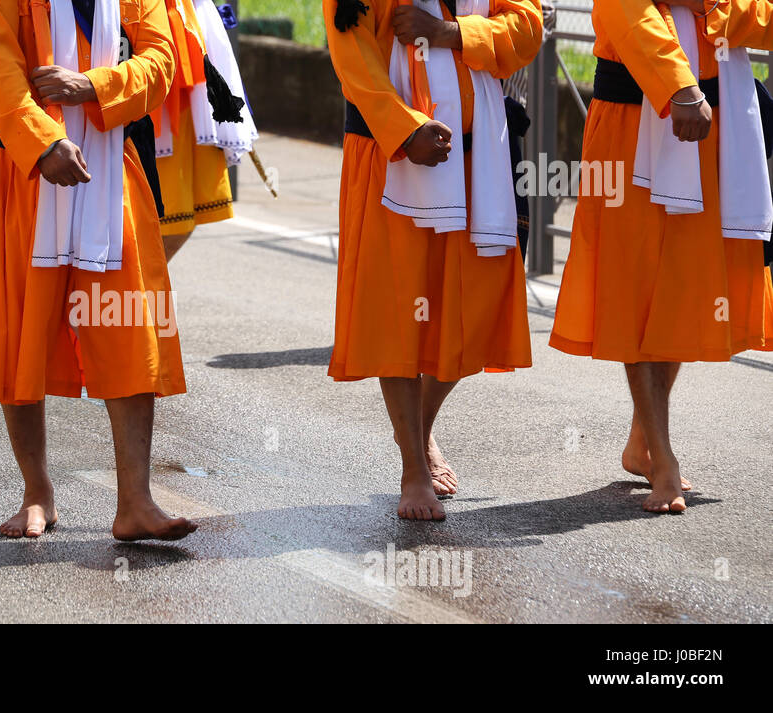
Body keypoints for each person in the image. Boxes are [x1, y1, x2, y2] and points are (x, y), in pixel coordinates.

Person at [0, 0, 198, 541]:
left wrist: (90, 85)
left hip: (112, 159)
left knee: (128, 327)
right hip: (21, 166)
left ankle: (135, 503)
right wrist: (43, 141)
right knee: (21, 331)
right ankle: (36, 491)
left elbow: (162, 58)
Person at [550, 0, 773, 513]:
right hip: (636, 120)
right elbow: (628, 13)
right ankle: (663, 457)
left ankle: (643, 439)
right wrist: (680, 85)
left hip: (715, 124)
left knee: (678, 288)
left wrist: (712, 5)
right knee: (639, 285)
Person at [325, 0, 541, 520]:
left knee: (478, 305)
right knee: (400, 315)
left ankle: (417, 430)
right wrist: (404, 130)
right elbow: (354, 57)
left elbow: (528, 28)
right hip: (389, 153)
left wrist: (450, 32)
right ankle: (413, 469)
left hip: (482, 153)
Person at [153, 0, 257, 261]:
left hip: (193, 48)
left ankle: (141, 289)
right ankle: (134, 290)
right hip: (152, 42)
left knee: (183, 218)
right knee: (164, 218)